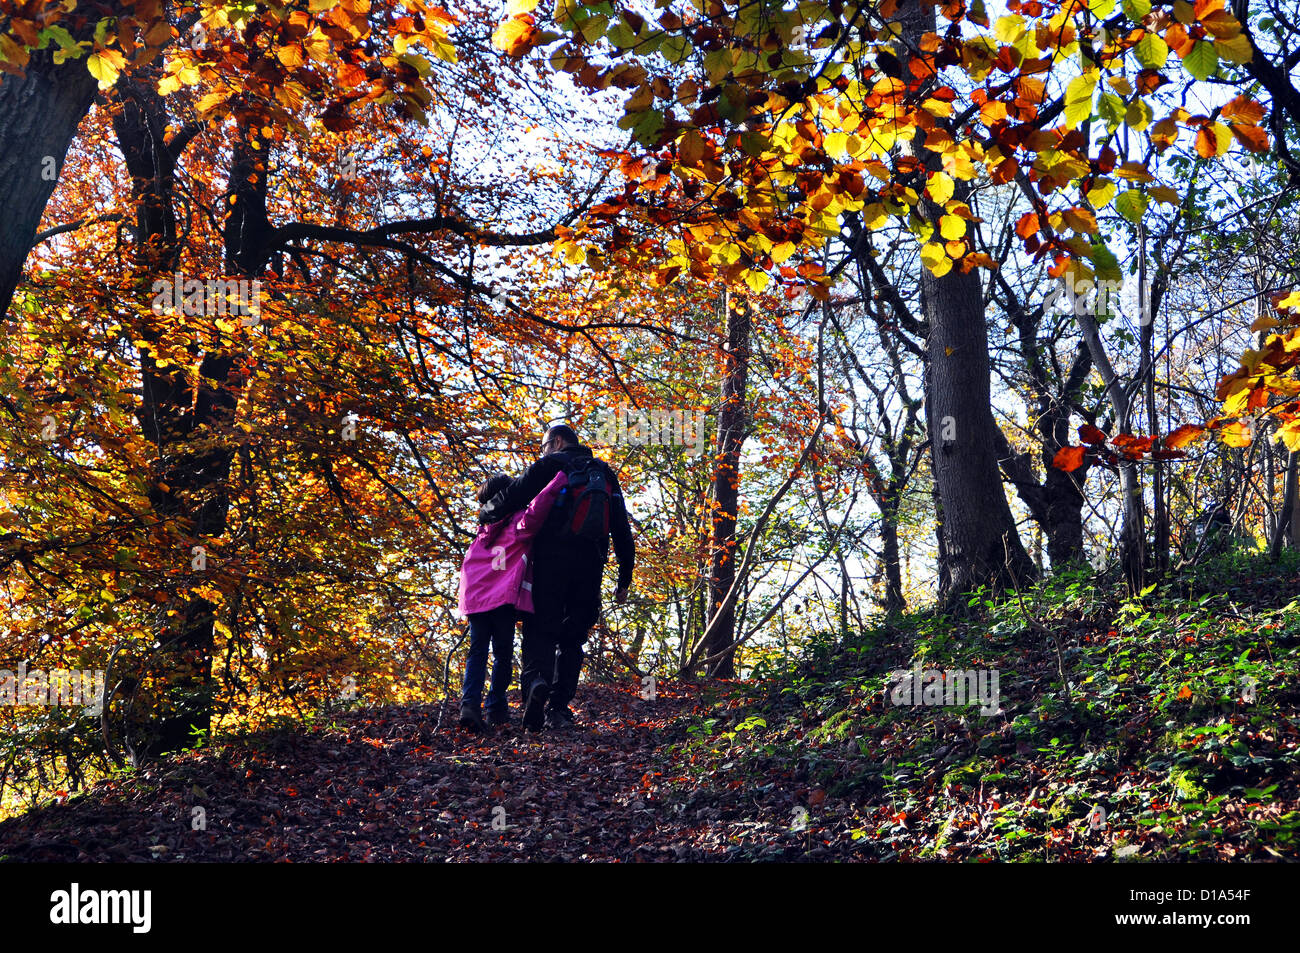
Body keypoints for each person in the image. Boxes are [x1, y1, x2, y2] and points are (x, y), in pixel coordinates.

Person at [479, 424, 634, 731]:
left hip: (549, 562)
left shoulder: (550, 465)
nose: (543, 451)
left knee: (540, 629)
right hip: (590, 567)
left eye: (545, 445)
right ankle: (559, 708)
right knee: (573, 638)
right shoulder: (603, 472)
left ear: (558, 441)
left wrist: (486, 512)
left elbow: (514, 494)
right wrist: (624, 578)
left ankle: (536, 683)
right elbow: (621, 529)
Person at [455, 469, 568, 731]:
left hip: (476, 596)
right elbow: (537, 509)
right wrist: (557, 475)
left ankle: (470, 704)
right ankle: (496, 706)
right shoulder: (517, 525)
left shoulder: (483, 530)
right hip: (501, 600)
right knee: (502, 653)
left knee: (477, 650)